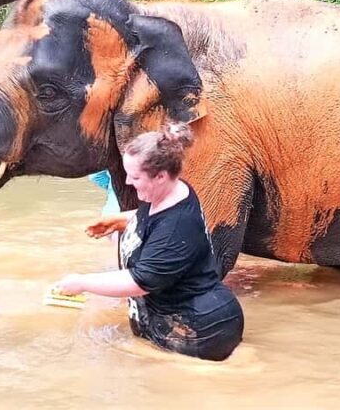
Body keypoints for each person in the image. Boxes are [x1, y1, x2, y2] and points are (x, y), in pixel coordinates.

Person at [53, 123, 244, 361]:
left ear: (161, 176)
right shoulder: (173, 193)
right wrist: (118, 220)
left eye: (135, 177)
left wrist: (81, 283)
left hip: (199, 332)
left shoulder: (176, 225)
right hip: (190, 320)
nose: (129, 183)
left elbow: (140, 281)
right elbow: (155, 220)